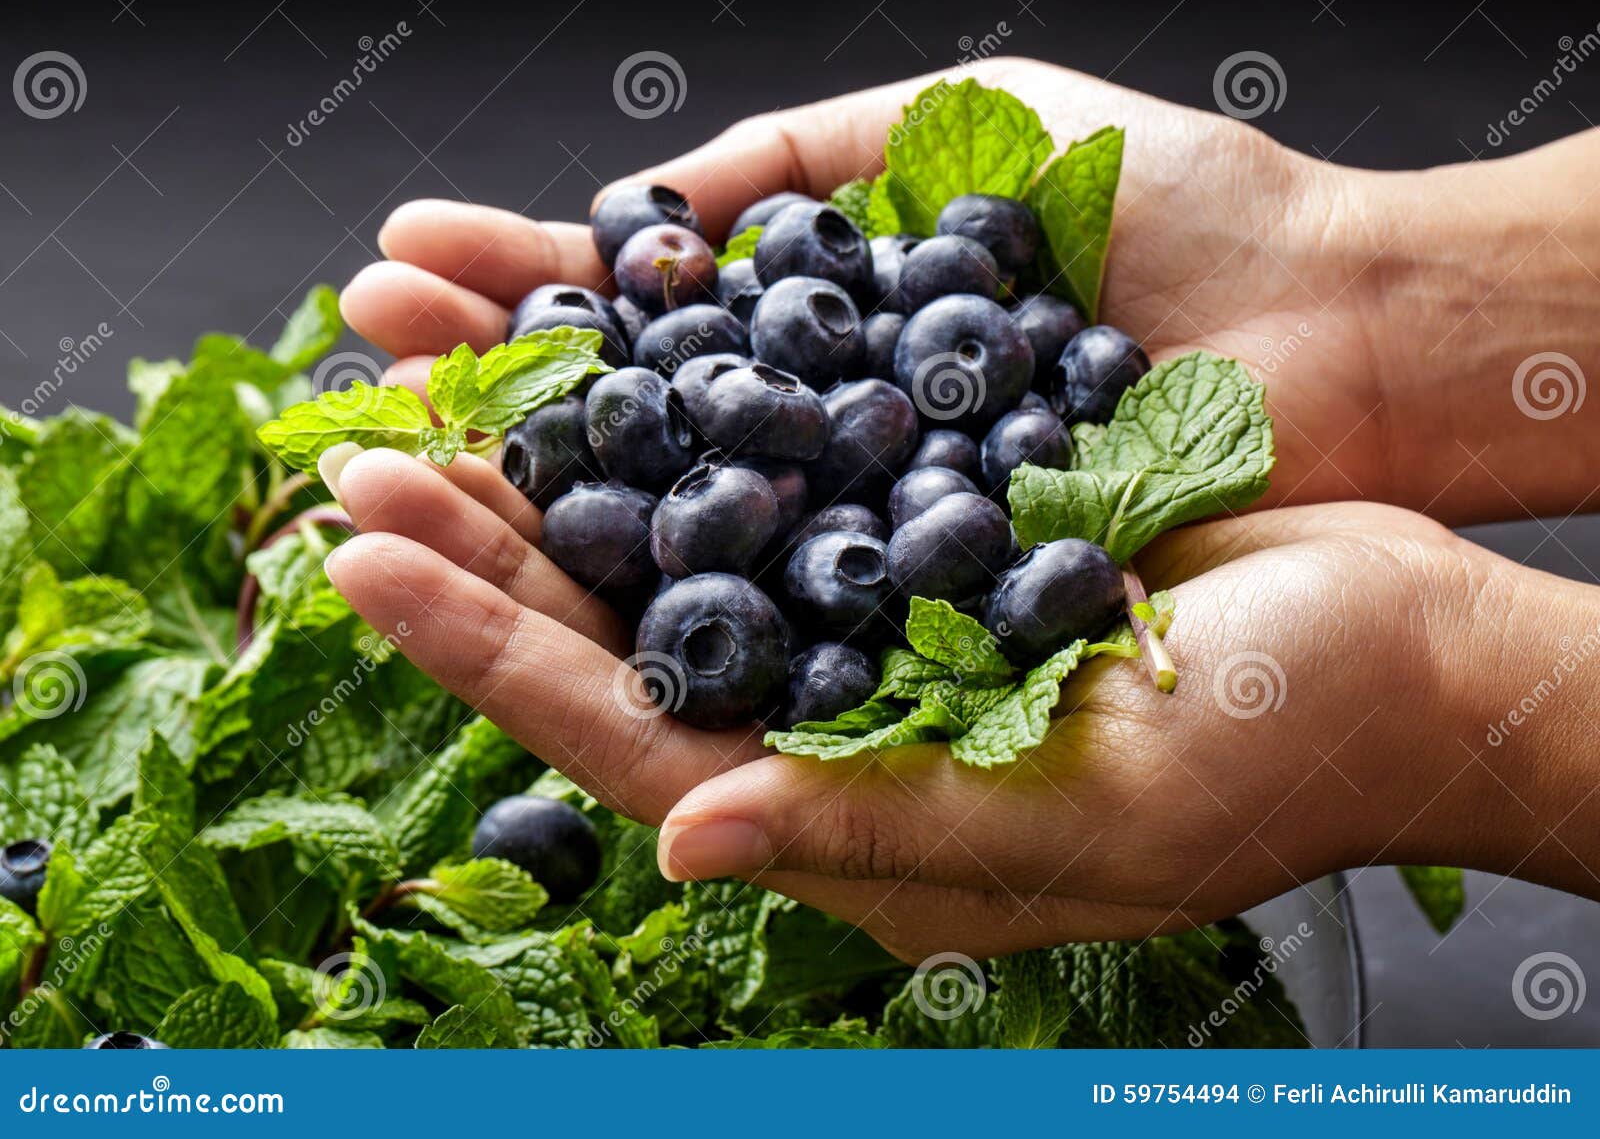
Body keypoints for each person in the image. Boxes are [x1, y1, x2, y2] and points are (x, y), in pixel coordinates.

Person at [322, 58, 1600, 962]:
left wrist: (1430, 689)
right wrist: (1374, 285)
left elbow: (852, 453)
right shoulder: (757, 430)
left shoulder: (912, 403)